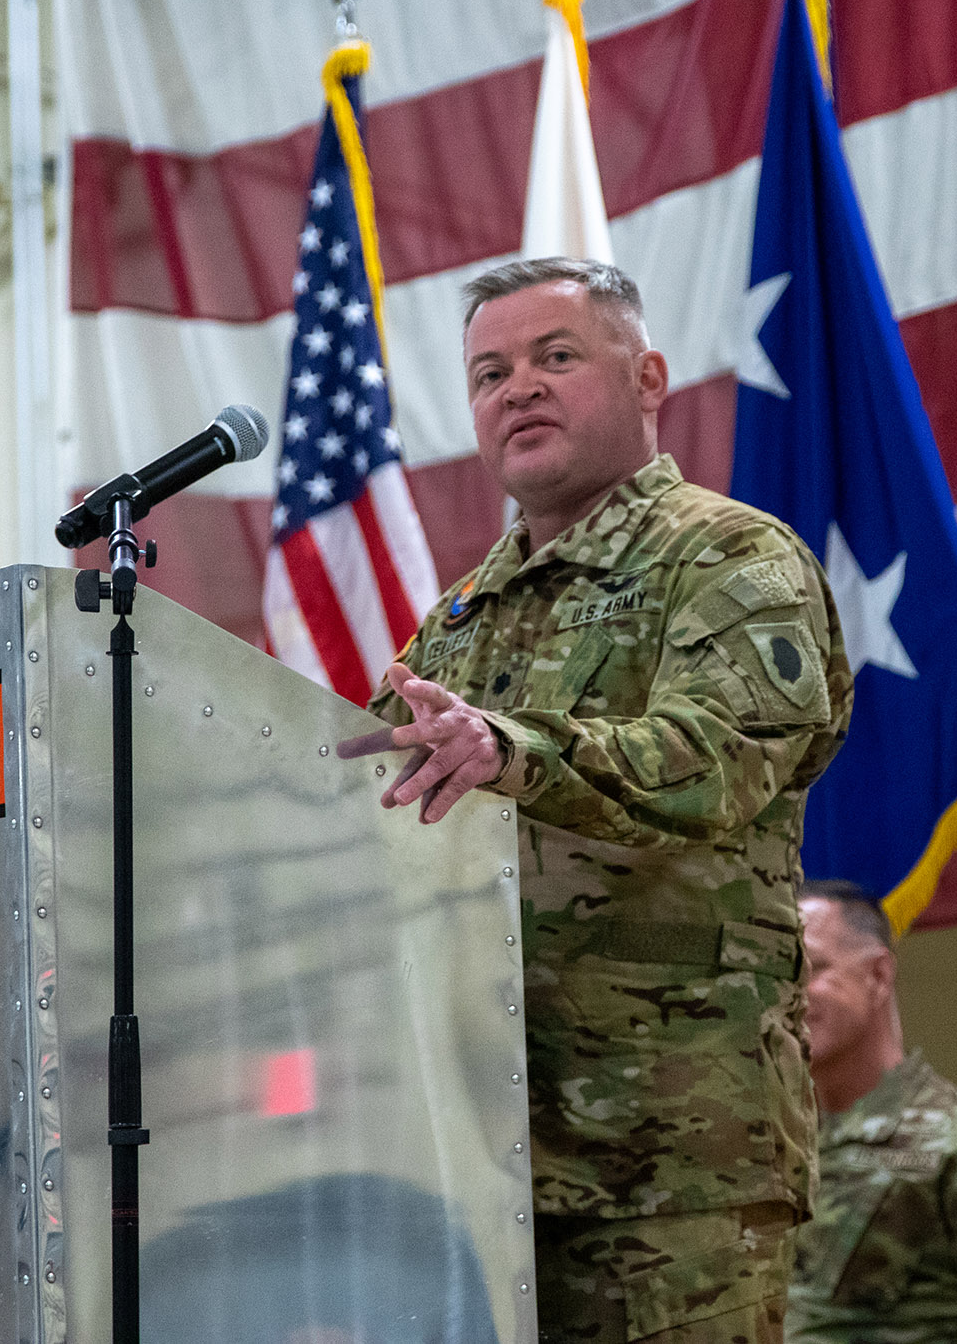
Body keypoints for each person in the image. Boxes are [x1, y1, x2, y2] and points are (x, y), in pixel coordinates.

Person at [346, 256, 853, 1344]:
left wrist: (510, 749)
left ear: (647, 378)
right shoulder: (460, 619)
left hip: (674, 1160)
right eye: (490, 373)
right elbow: (352, 806)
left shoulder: (729, 555)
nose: (518, 388)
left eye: (556, 356)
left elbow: (717, 758)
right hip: (475, 1158)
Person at [787, 880, 957, 1344]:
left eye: (809, 969)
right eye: (777, 976)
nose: (789, 994)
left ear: (878, 975)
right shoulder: (766, 1147)